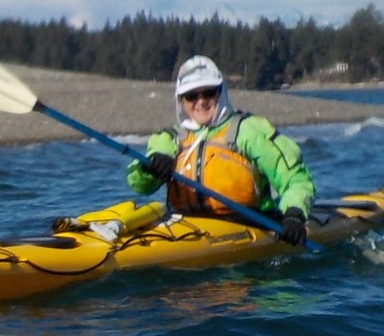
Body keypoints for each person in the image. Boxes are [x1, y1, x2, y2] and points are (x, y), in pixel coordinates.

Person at [125, 55, 316, 246]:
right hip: (187, 228)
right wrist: (150, 167)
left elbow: (296, 179)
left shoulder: (249, 132)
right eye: (191, 95)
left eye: (208, 93)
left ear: (221, 93)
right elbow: (139, 185)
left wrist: (294, 215)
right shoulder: (169, 139)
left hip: (252, 224)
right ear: (181, 100)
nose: (200, 102)